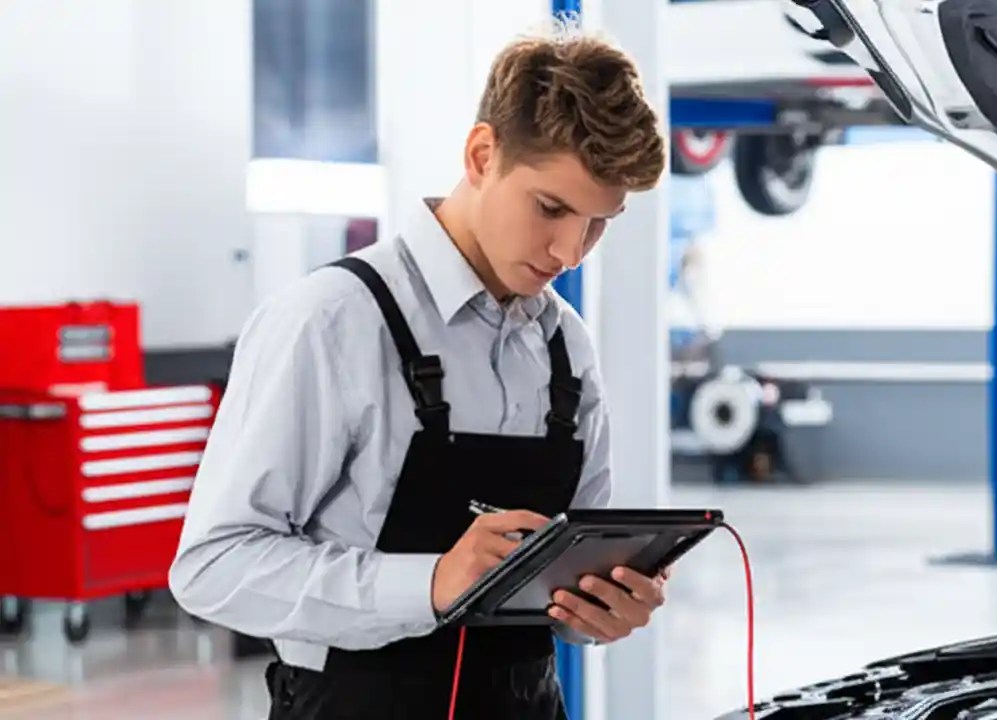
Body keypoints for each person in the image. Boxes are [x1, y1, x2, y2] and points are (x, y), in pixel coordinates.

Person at [169, 25, 667, 720]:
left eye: (598, 223)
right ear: (481, 154)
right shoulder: (332, 322)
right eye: (551, 208)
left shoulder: (566, 347)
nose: (570, 251)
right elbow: (211, 568)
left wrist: (593, 608)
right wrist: (429, 583)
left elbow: (562, 574)